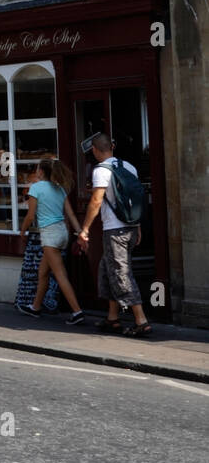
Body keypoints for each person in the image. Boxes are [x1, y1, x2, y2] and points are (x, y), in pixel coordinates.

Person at [79, 133, 152, 337]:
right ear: (111, 147)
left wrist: (85, 229)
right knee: (107, 268)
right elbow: (136, 200)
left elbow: (96, 200)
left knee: (121, 273)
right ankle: (113, 318)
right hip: (129, 227)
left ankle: (141, 320)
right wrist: (137, 226)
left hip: (114, 230)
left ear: (94, 150)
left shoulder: (101, 170)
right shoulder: (129, 167)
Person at [15, 159, 86, 324]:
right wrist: (81, 233)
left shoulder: (36, 188)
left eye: (37, 169)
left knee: (60, 274)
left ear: (41, 172)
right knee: (43, 272)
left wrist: (23, 230)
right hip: (62, 232)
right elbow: (71, 214)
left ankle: (77, 312)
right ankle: (36, 307)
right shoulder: (60, 188)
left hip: (49, 234)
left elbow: (31, 215)